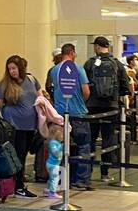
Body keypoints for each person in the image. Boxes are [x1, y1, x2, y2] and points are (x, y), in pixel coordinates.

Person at [83, 37, 130, 183]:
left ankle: (87, 173)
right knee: (107, 139)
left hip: (92, 106)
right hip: (111, 107)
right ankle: (105, 173)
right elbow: (125, 86)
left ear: (97, 47)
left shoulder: (90, 63)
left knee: (90, 139)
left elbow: (83, 84)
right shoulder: (117, 64)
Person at [46, 43, 92, 189]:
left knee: (60, 148)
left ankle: (60, 180)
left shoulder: (54, 70)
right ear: (72, 53)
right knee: (83, 146)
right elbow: (86, 92)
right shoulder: (78, 69)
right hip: (78, 113)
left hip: (60, 114)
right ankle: (80, 181)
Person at [0, 55, 40, 197]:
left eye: (14, 68)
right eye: (9, 69)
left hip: (30, 125)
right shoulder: (5, 84)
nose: (12, 72)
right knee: (19, 155)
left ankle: (17, 184)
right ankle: (18, 186)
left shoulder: (31, 80)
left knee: (24, 154)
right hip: (15, 125)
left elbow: (40, 97)